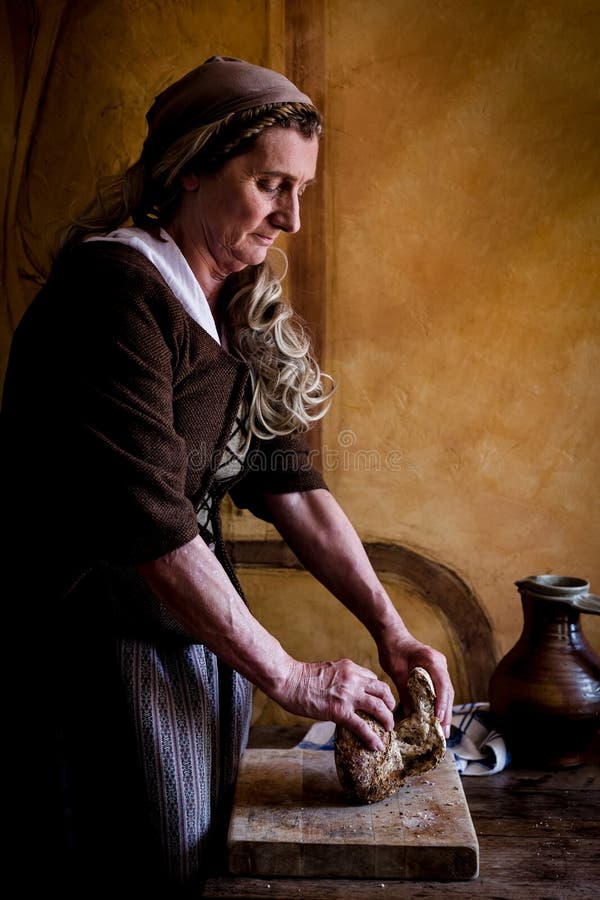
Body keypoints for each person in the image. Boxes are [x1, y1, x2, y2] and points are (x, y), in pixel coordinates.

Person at [1, 56, 454, 892]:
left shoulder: (228, 300)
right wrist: (290, 675)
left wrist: (390, 626)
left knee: (200, 868)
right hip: (96, 653)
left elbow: (289, 481)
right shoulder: (116, 292)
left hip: (188, 643)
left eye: (302, 191)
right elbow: (151, 527)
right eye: (270, 185)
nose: (290, 219)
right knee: (128, 871)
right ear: (194, 166)